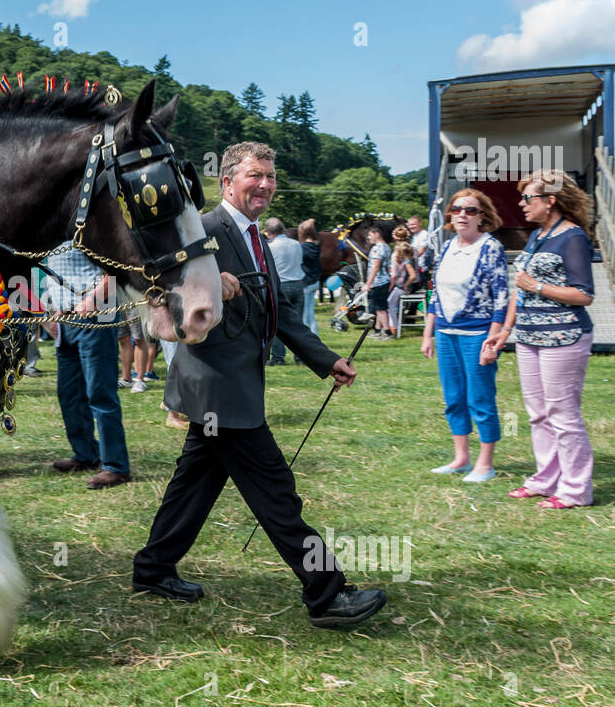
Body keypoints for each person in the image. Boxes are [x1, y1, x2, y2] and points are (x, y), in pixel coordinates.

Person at [133, 142, 386, 628]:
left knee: (195, 484)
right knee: (277, 494)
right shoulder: (204, 229)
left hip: (233, 385)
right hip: (215, 389)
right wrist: (204, 282)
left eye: (270, 177)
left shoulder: (258, 240)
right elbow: (156, 286)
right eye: (256, 176)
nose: (266, 185)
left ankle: (153, 568)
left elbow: (280, 312)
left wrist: (326, 358)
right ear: (228, 181)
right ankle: (327, 594)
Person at [485, 170, 596, 510]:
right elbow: (521, 288)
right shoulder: (538, 236)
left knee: (562, 414)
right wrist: (505, 331)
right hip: (529, 337)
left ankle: (576, 490)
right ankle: (546, 479)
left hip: (564, 337)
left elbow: (583, 294)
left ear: (550, 201)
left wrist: (537, 286)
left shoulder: (573, 237)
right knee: (537, 414)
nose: (521, 204)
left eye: (527, 198)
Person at [421, 189, 507, 483]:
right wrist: (427, 334)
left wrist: (493, 339)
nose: (461, 215)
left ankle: (485, 463)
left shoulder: (490, 247)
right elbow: (435, 294)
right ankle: (461, 458)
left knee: (480, 398)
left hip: (477, 334)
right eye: (456, 209)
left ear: (482, 215)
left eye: (470, 210)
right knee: (454, 398)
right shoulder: (446, 247)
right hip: (446, 334)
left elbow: (501, 298)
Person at [42, 245, 131, 489]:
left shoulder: (88, 229)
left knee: (100, 393)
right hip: (65, 320)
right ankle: (85, 453)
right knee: (69, 394)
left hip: (94, 317)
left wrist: (92, 299)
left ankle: (115, 465)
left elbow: (114, 272)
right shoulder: (56, 233)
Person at [265, 217, 306, 365]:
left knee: (276, 323)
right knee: (298, 324)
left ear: (269, 233)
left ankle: (278, 357)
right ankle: (300, 357)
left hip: (281, 285)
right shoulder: (296, 244)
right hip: (298, 284)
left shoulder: (270, 247)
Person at [387, 230, 418, 339]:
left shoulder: (407, 262)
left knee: (390, 302)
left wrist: (406, 285)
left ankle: (394, 327)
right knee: (391, 303)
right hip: (402, 287)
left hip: (402, 287)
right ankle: (394, 326)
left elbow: (413, 275)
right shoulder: (410, 259)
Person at [364, 225, 393, 340]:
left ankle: (387, 332)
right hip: (383, 280)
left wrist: (368, 283)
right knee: (377, 307)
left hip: (379, 282)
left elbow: (375, 267)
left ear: (377, 234)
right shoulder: (386, 246)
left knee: (381, 308)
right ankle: (377, 329)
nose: (368, 238)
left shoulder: (378, 248)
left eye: (370, 235)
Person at [298, 218, 322, 335]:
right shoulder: (316, 245)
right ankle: (315, 335)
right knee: (310, 313)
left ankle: (308, 338)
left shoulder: (303, 247)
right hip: (315, 281)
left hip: (306, 282)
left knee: (305, 315)